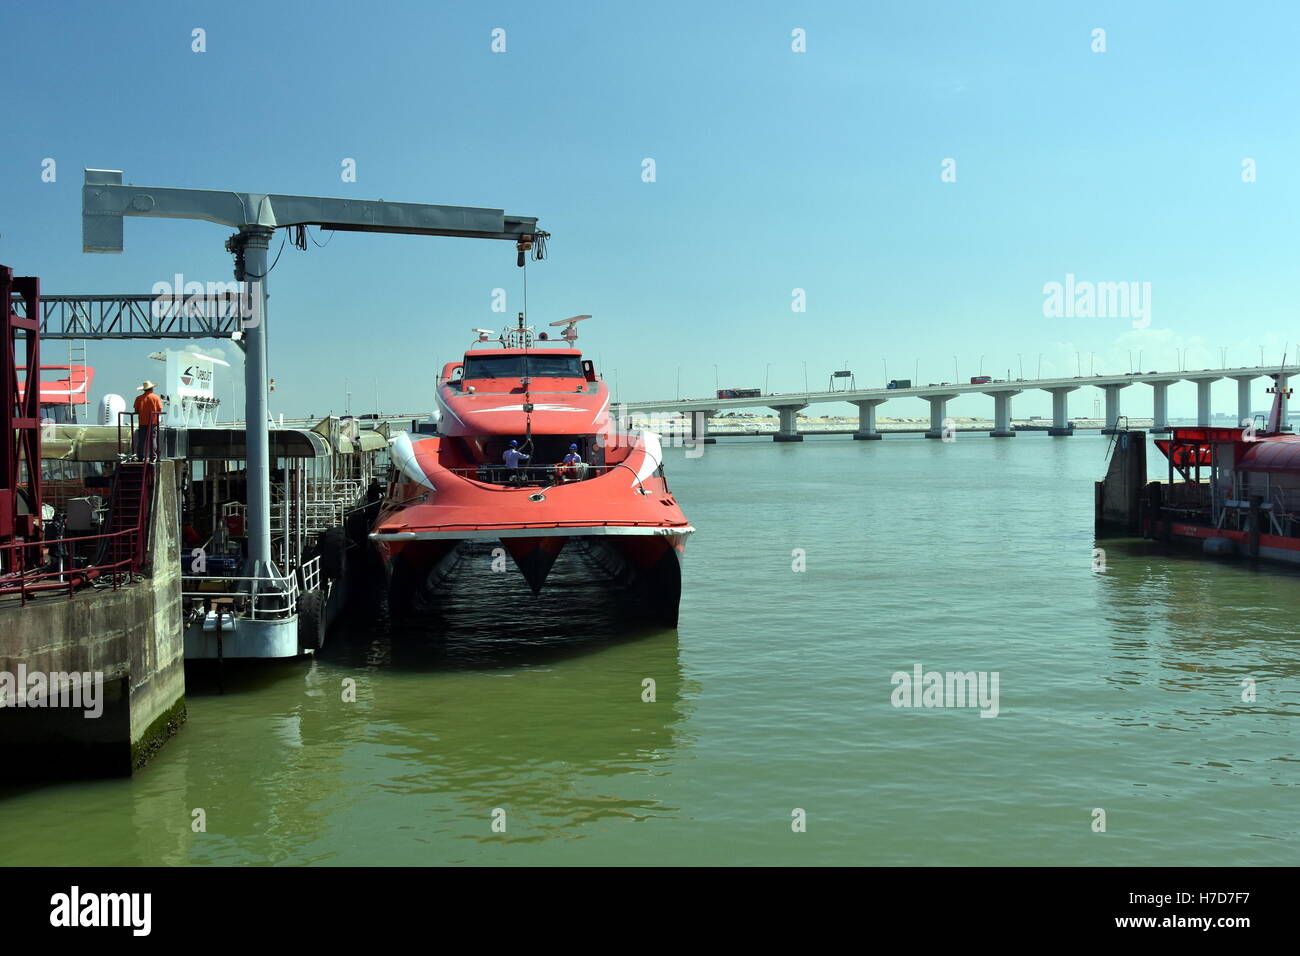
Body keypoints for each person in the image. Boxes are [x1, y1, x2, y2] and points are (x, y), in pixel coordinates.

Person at [133, 381, 164, 461]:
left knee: (141, 440)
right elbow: (160, 410)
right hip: (153, 422)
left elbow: (136, 410)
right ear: (152, 388)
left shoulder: (139, 398)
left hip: (142, 422)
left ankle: (140, 457)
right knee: (153, 439)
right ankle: (153, 456)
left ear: (144, 389)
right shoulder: (156, 398)